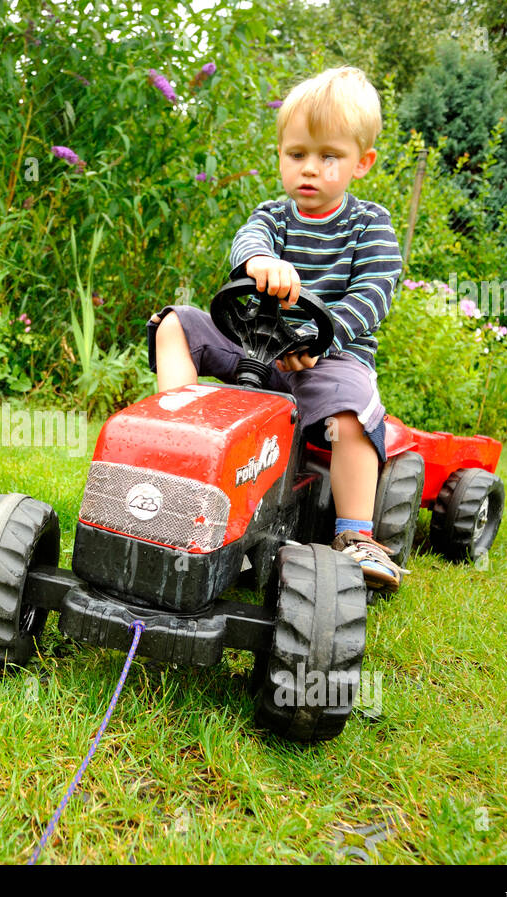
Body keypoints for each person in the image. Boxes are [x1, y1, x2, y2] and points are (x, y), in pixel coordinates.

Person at [146, 66, 407, 591]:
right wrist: (261, 262)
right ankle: (183, 435)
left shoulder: (370, 225)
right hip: (255, 350)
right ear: (281, 156)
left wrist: (321, 337)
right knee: (176, 322)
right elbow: (247, 244)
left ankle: (356, 533)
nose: (310, 169)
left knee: (353, 411)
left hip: (327, 361)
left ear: (362, 163)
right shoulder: (271, 218)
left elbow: (374, 295)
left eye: (329, 156)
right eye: (297, 154)